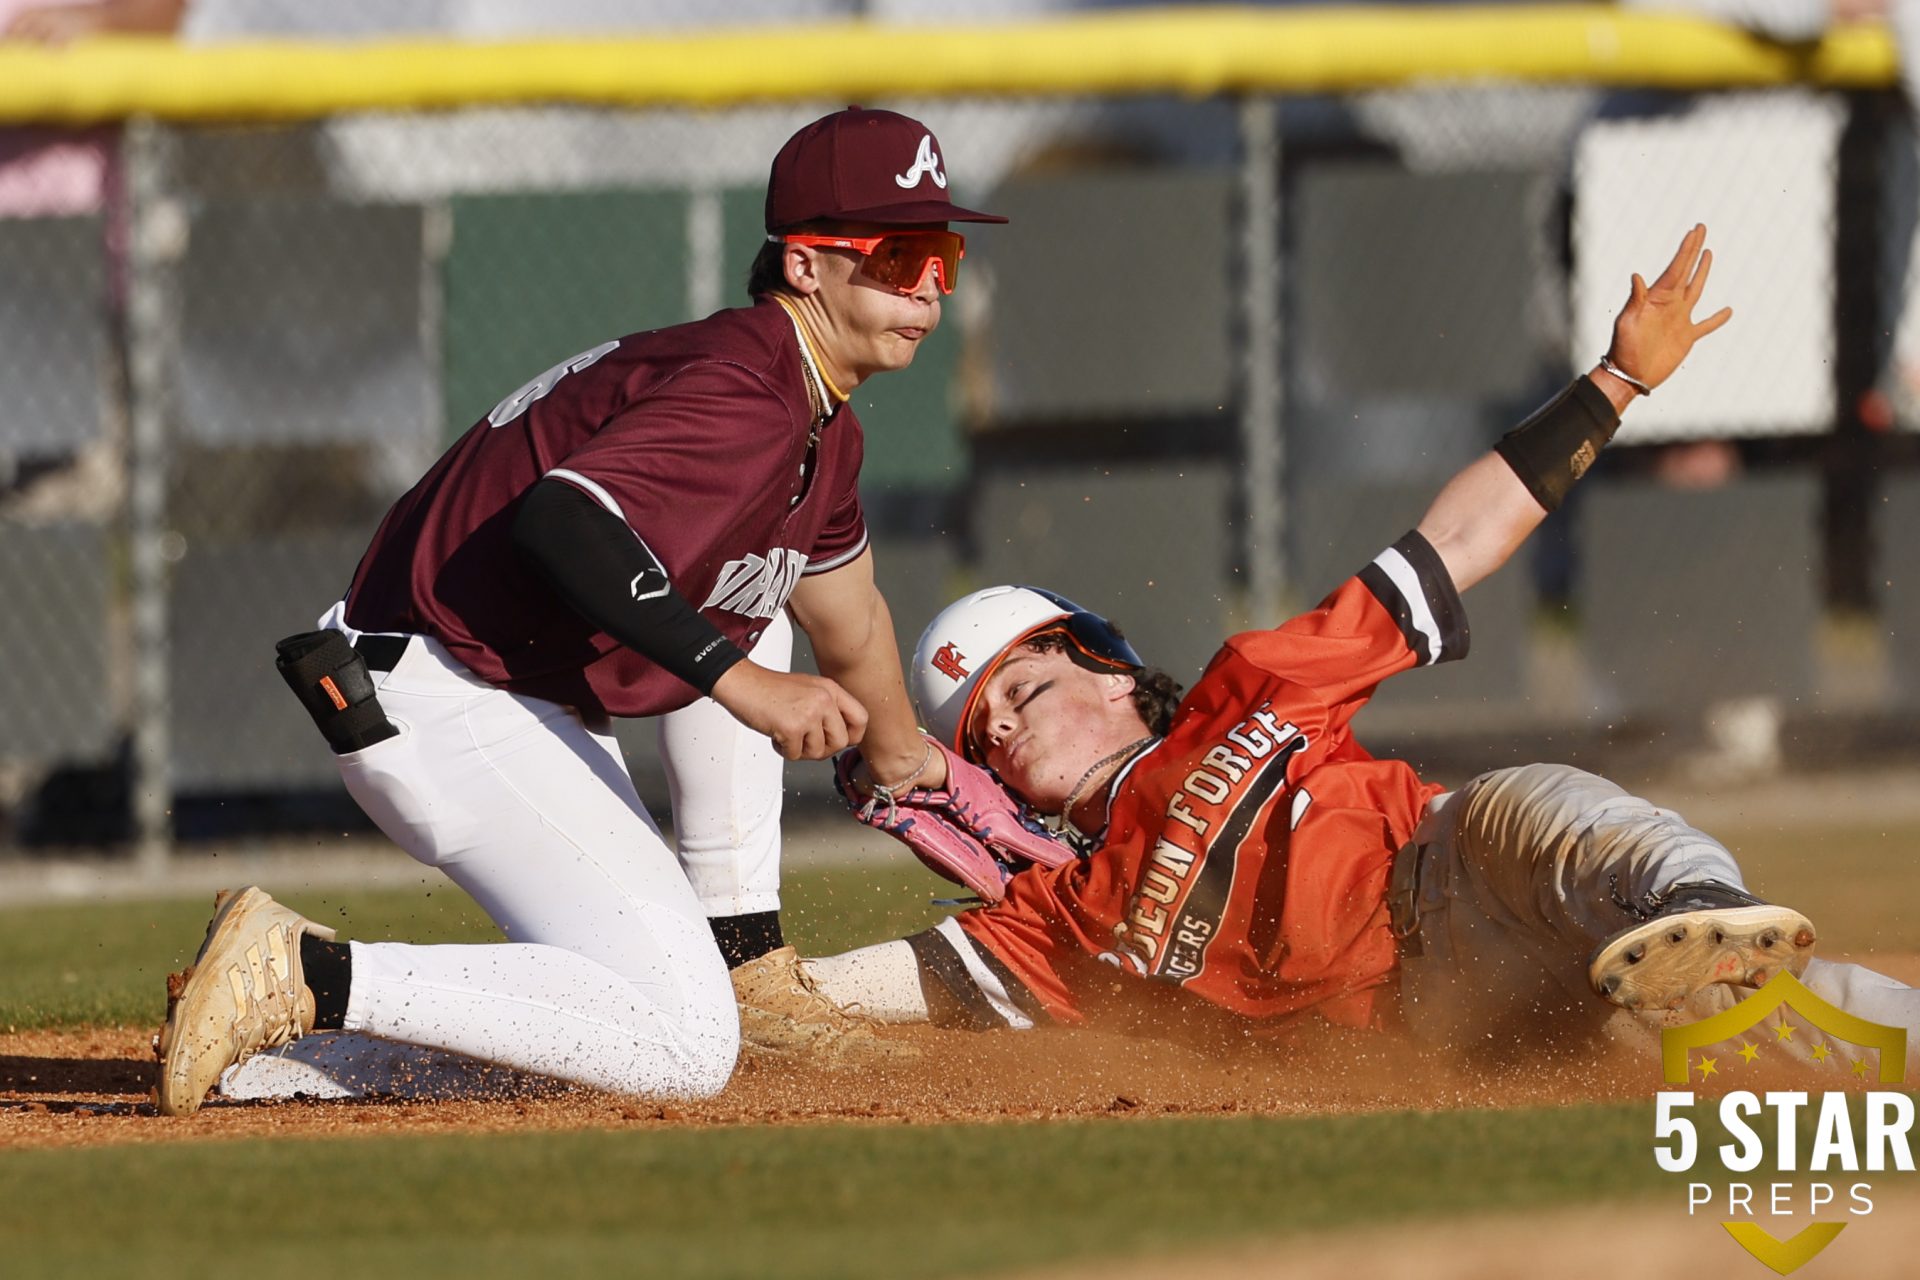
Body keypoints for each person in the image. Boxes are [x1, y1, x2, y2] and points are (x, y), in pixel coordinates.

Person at [747, 224, 1920, 1067]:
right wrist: (748, 988)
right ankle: (1714, 975)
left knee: (1551, 808)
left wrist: (1613, 382)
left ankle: (1705, 909)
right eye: (980, 730)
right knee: (1692, 1043)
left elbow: (1456, 540)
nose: (1000, 722)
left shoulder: (1250, 684)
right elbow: (864, 985)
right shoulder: (1060, 911)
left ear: (1104, 664)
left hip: (1453, 873)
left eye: (1021, 680)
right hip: (1436, 1025)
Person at [153, 107, 1005, 1116]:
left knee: (753, 611)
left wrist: (908, 767)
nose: (926, 289)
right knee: (685, 1045)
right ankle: (310, 970)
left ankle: (282, 1060)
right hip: (444, 697)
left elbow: (848, 616)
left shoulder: (814, 418)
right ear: (806, 265)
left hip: (495, 691)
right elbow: (563, 522)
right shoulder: (745, 393)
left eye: (942, 259)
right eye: (897, 258)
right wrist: (744, 687)